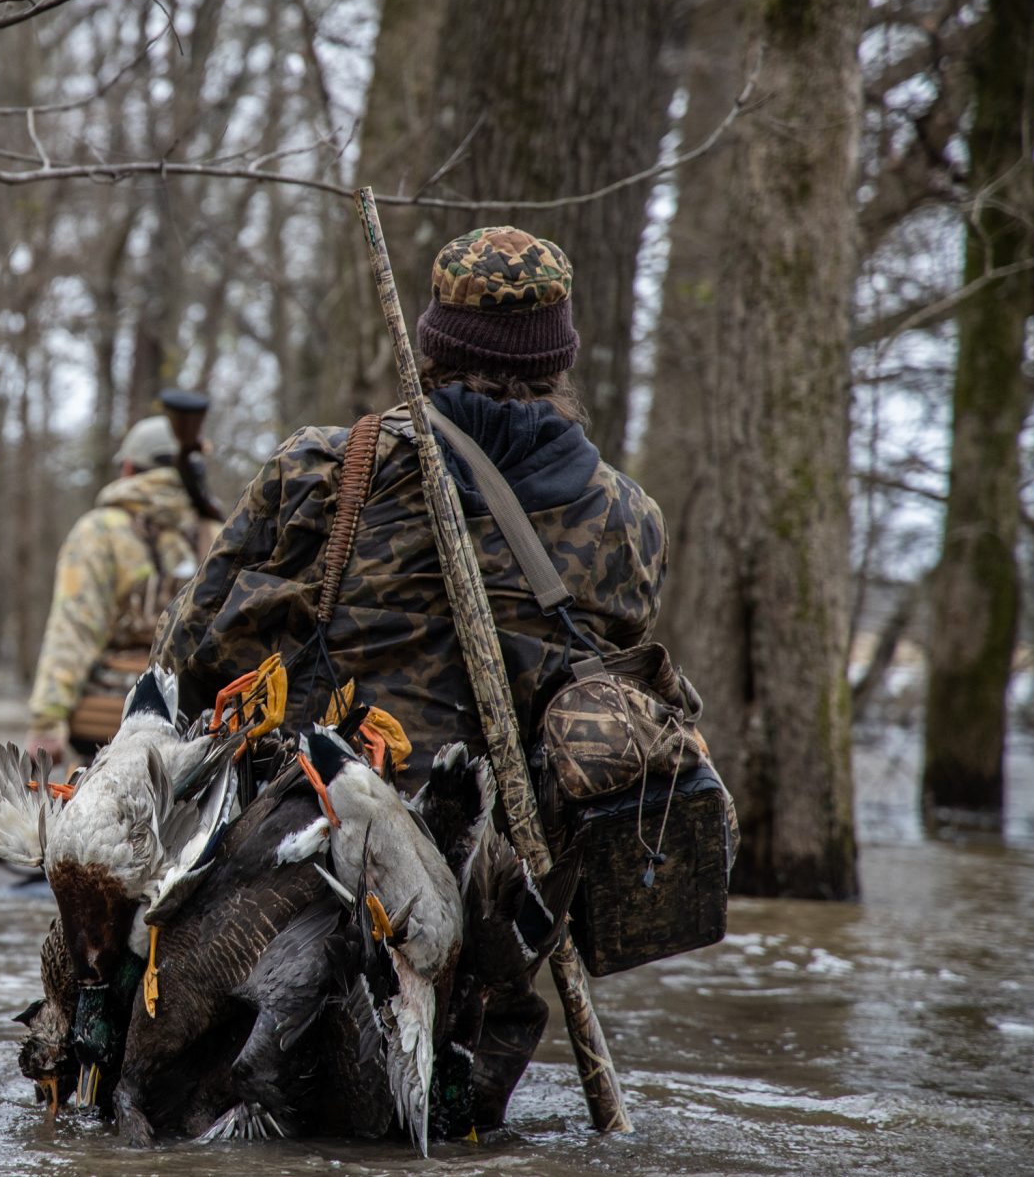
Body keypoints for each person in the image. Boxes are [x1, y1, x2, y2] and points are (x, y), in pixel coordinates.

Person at [153, 225, 666, 1130]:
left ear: (433, 343)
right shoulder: (627, 520)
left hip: (284, 902)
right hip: (487, 936)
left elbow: (191, 663)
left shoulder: (323, 467)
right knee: (441, 1136)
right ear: (561, 355)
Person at [23, 410, 218, 763]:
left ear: (129, 468)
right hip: (194, 729)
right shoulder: (217, 535)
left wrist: (46, 721)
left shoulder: (100, 531)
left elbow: (73, 629)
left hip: (105, 728)